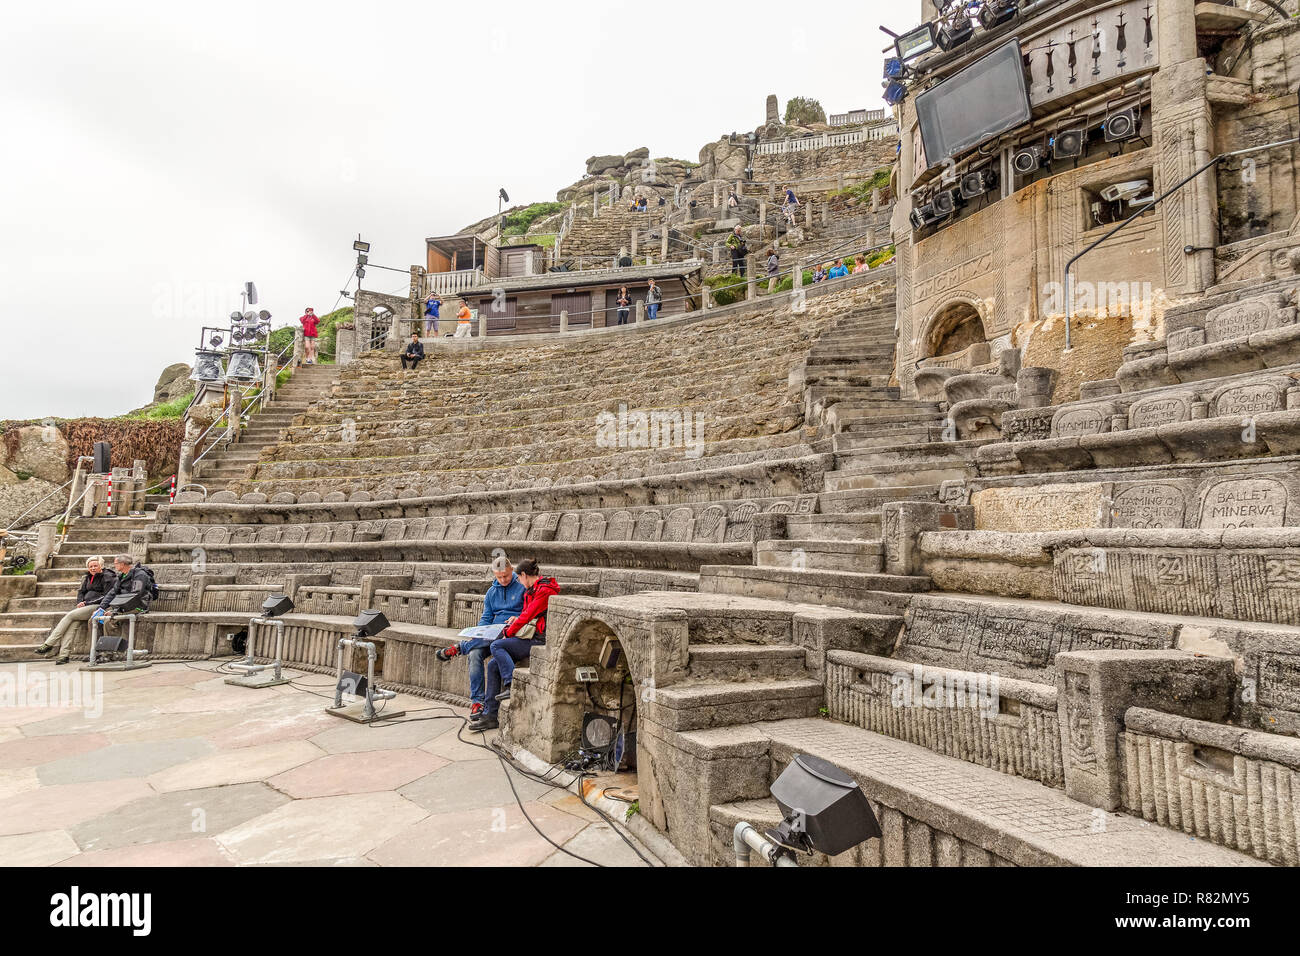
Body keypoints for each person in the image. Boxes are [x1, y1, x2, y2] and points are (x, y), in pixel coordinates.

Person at [435, 556, 525, 722]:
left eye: (505, 576)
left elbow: (528, 612)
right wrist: (479, 631)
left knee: (483, 644)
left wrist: (516, 619)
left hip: (512, 632)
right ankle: (477, 702)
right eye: (499, 577)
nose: (503, 580)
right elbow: (487, 617)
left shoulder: (522, 586)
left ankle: (461, 648)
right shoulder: (491, 592)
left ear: (512, 570)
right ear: (494, 574)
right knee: (474, 655)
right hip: (491, 633)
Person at [475, 559, 560, 730]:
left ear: (523, 575)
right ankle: (491, 715)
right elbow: (526, 614)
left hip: (539, 639)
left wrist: (508, 632)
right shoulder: (532, 590)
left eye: (518, 578)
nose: (518, 582)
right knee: (493, 665)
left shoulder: (544, 591)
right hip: (530, 635)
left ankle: (510, 683)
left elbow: (528, 615)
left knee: (497, 646)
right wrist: (514, 621)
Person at [33, 556, 113, 663]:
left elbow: (106, 595)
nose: (93, 568)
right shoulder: (87, 577)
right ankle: (63, 656)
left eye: (95, 566)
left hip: (99, 606)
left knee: (70, 616)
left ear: (101, 566)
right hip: (85, 607)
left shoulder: (107, 577)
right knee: (72, 624)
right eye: (90, 566)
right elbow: (81, 592)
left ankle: (49, 644)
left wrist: (87, 603)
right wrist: (80, 602)